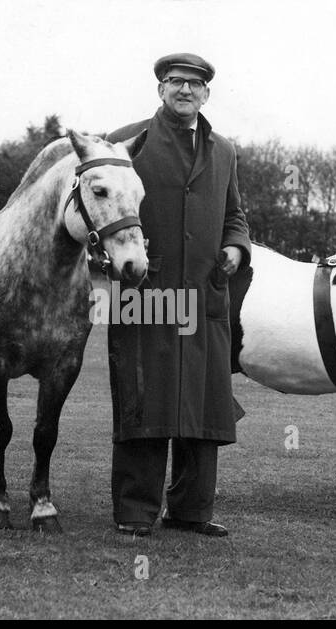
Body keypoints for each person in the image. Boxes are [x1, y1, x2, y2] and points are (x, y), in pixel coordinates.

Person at [104, 53, 251, 537]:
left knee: (201, 404)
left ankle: (191, 511)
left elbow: (235, 214)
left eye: (194, 84)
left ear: (207, 93)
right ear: (160, 89)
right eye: (175, 82)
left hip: (206, 295)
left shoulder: (224, 150)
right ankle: (134, 511)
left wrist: (235, 246)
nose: (185, 90)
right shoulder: (128, 142)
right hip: (145, 291)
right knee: (145, 399)